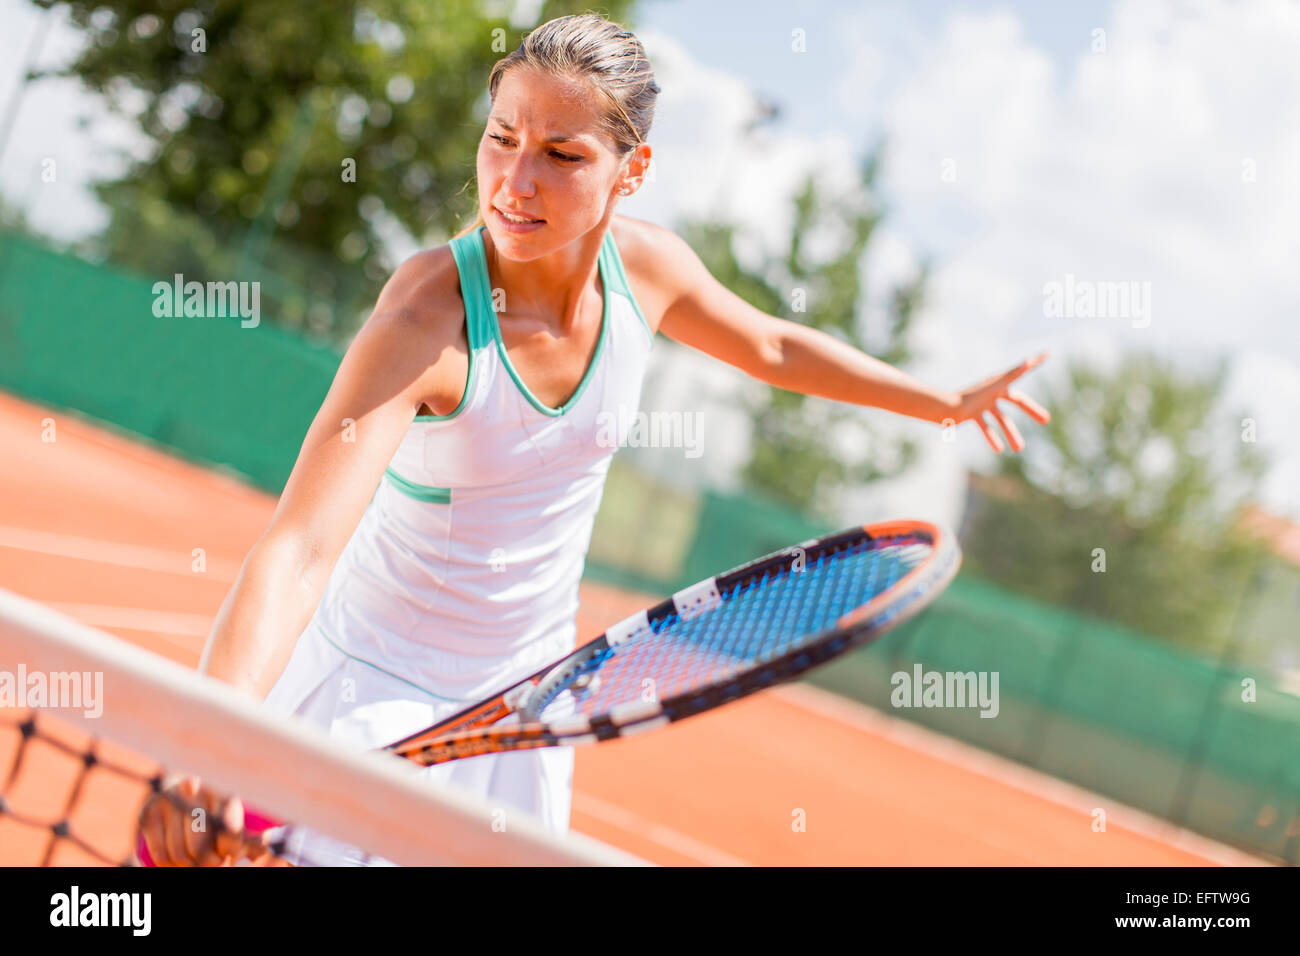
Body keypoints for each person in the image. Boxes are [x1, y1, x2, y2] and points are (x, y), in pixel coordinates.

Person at [138, 12, 1050, 866]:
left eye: (561, 154)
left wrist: (942, 403)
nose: (515, 180)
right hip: (367, 693)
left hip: (528, 712)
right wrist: (208, 741)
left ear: (632, 168)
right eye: (502, 138)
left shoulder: (646, 270)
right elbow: (299, 549)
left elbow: (771, 344)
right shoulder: (426, 317)